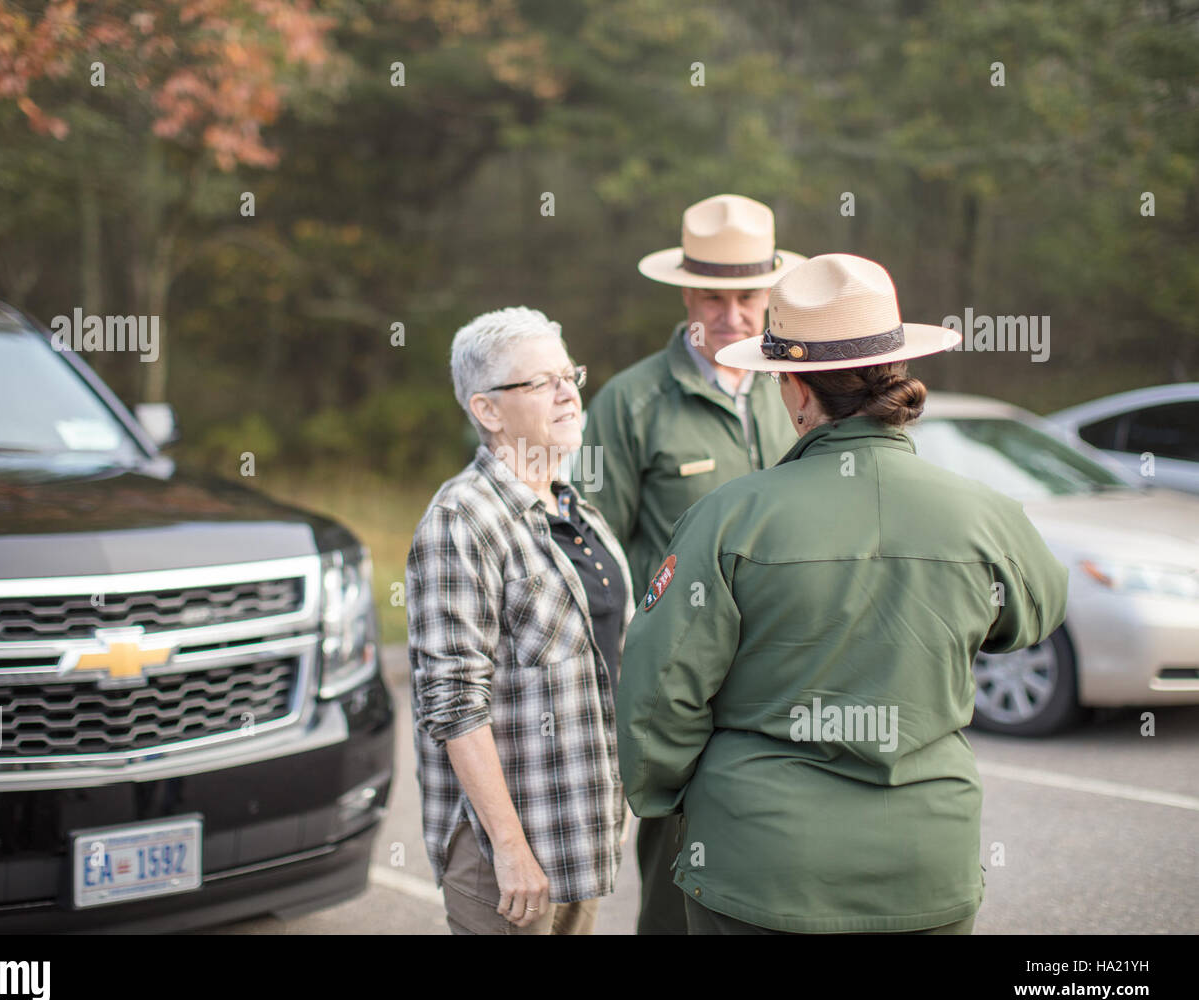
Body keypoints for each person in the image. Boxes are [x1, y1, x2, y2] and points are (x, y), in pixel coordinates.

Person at [616, 253, 1069, 934]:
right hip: (926, 866)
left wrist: (674, 797)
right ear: (900, 373)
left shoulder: (729, 517)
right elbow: (1033, 615)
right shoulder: (987, 514)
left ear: (796, 390)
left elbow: (658, 695)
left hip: (759, 866)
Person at [580, 193, 804, 934]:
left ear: (770, 293)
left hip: (787, 682)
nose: (732, 313)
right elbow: (590, 556)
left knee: (779, 884)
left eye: (748, 295)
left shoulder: (798, 390)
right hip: (684, 697)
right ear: (686, 292)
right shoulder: (627, 401)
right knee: (680, 891)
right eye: (714, 294)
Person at [407, 306, 633, 935]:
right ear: (488, 410)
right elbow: (452, 702)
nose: (568, 394)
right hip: (505, 858)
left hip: (576, 835)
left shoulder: (574, 508)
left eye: (569, 375)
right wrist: (510, 849)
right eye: (541, 382)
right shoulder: (462, 520)